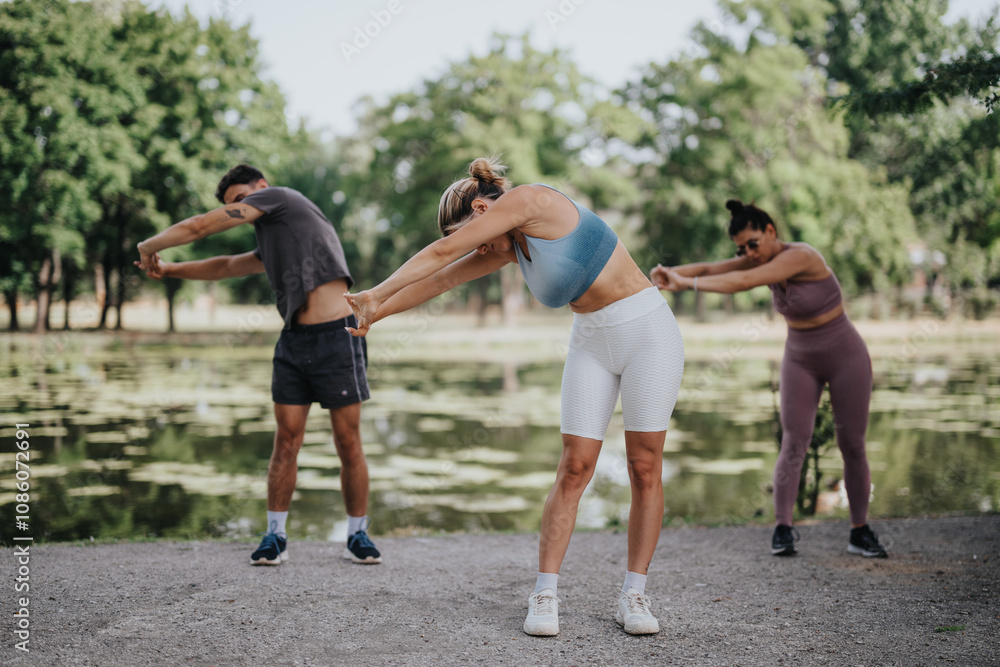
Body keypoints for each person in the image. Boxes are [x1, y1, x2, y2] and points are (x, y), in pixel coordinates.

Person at [343, 157, 685, 636]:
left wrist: (374, 291)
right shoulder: (509, 245)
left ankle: (634, 595)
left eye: (475, 234)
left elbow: (441, 256)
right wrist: (374, 313)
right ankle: (545, 593)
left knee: (644, 466)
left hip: (647, 332)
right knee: (574, 466)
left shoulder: (530, 201)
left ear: (484, 208)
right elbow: (442, 279)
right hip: (590, 339)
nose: (478, 247)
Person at [135, 164, 381, 567]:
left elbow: (200, 227)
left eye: (240, 201)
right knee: (285, 441)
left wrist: (148, 247)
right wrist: (169, 269)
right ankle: (275, 535)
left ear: (260, 188)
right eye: (235, 206)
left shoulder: (280, 197)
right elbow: (227, 266)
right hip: (294, 340)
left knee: (347, 441)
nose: (239, 210)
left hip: (339, 337)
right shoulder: (273, 240)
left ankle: (358, 534)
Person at [650, 199, 888, 559]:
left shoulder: (802, 256)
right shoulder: (757, 256)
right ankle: (783, 528)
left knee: (852, 444)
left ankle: (859, 530)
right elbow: (715, 268)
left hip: (845, 355)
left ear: (771, 232)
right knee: (794, 442)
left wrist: (687, 284)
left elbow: (744, 280)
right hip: (800, 357)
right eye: (742, 248)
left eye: (753, 244)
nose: (748, 253)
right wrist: (666, 273)